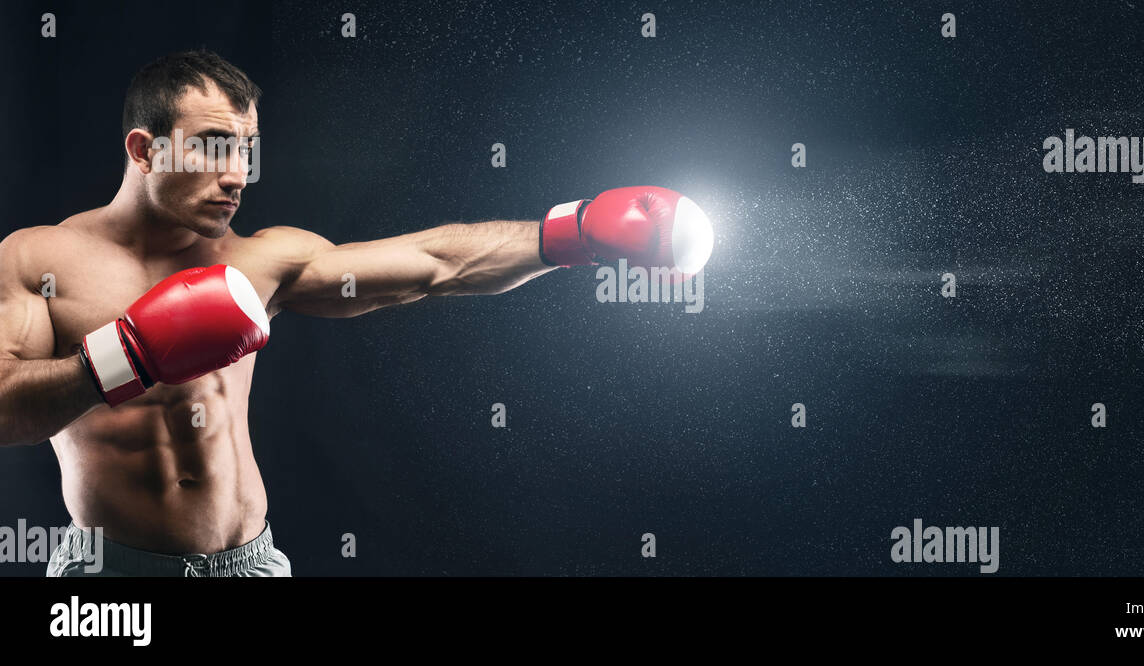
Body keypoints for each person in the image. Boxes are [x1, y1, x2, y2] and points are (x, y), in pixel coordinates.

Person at [0, 50, 712, 576]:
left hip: (251, 563)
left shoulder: (260, 263)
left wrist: (573, 233)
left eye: (246, 151)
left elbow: (433, 267)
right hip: (113, 579)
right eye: (215, 148)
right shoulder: (38, 262)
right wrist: (128, 352)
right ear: (144, 150)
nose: (237, 176)